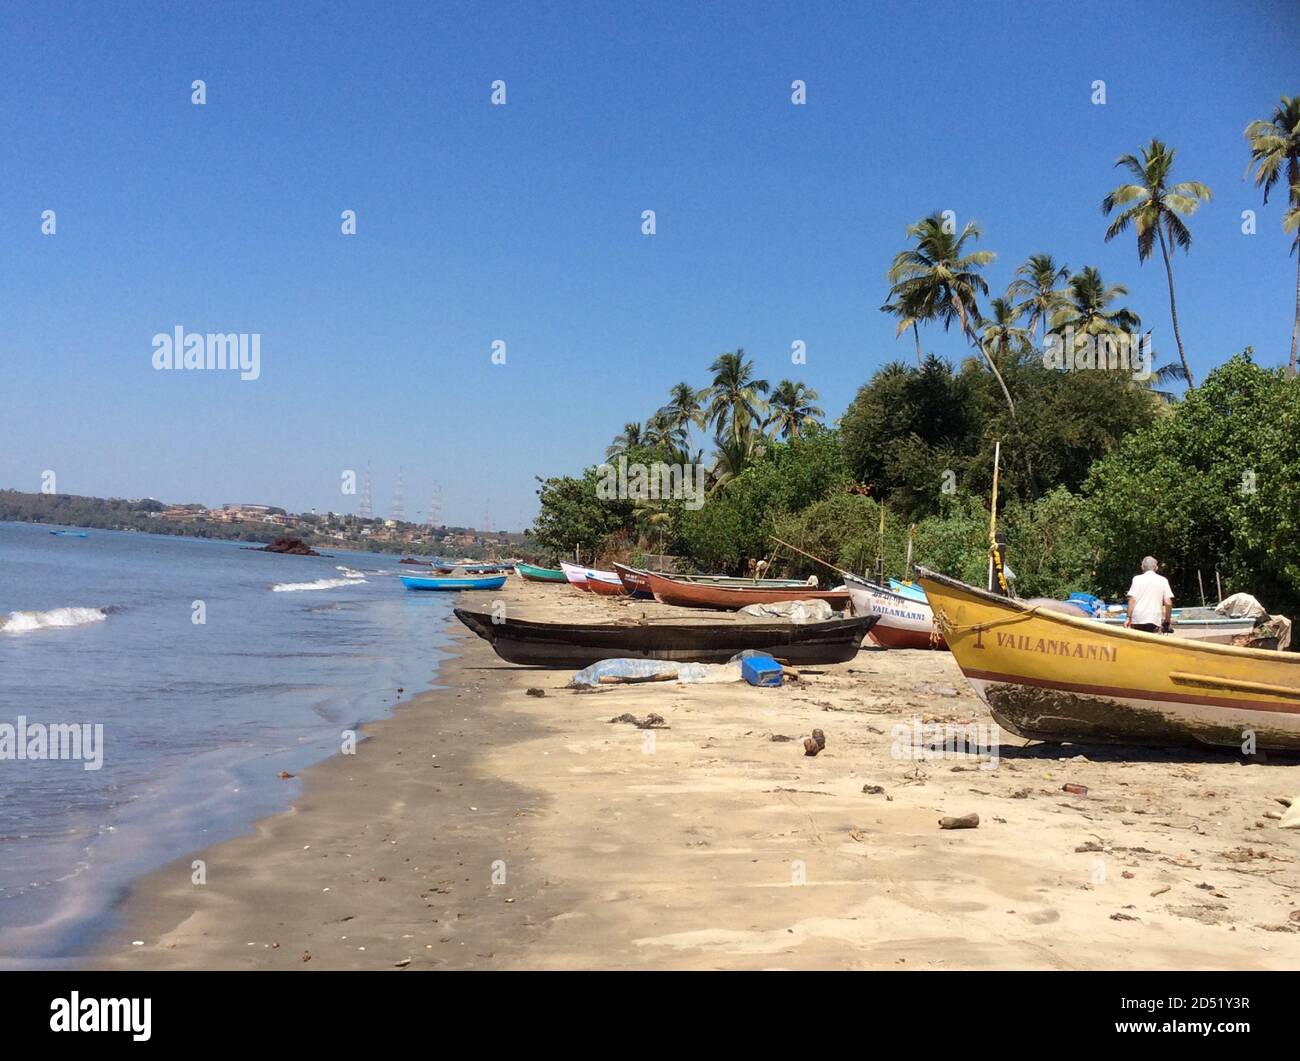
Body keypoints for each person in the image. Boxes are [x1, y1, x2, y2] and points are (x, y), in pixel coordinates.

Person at [1124, 556, 1174, 633]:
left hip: (1138, 618)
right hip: (1154, 618)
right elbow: (1168, 602)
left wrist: (1128, 618)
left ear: (1142, 567)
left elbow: (1132, 599)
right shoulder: (1163, 580)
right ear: (1156, 568)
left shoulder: (1136, 579)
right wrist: (1167, 620)